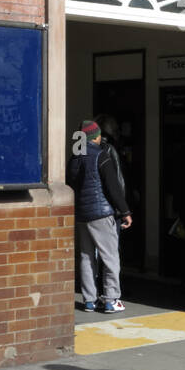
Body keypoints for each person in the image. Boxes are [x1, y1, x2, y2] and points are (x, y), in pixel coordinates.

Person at [67, 120, 132, 313]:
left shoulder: (75, 158)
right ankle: (111, 299)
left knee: (86, 257)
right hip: (101, 214)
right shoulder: (101, 156)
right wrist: (125, 211)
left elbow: (72, 185)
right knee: (110, 256)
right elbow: (113, 188)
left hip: (82, 215)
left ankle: (89, 300)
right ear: (95, 137)